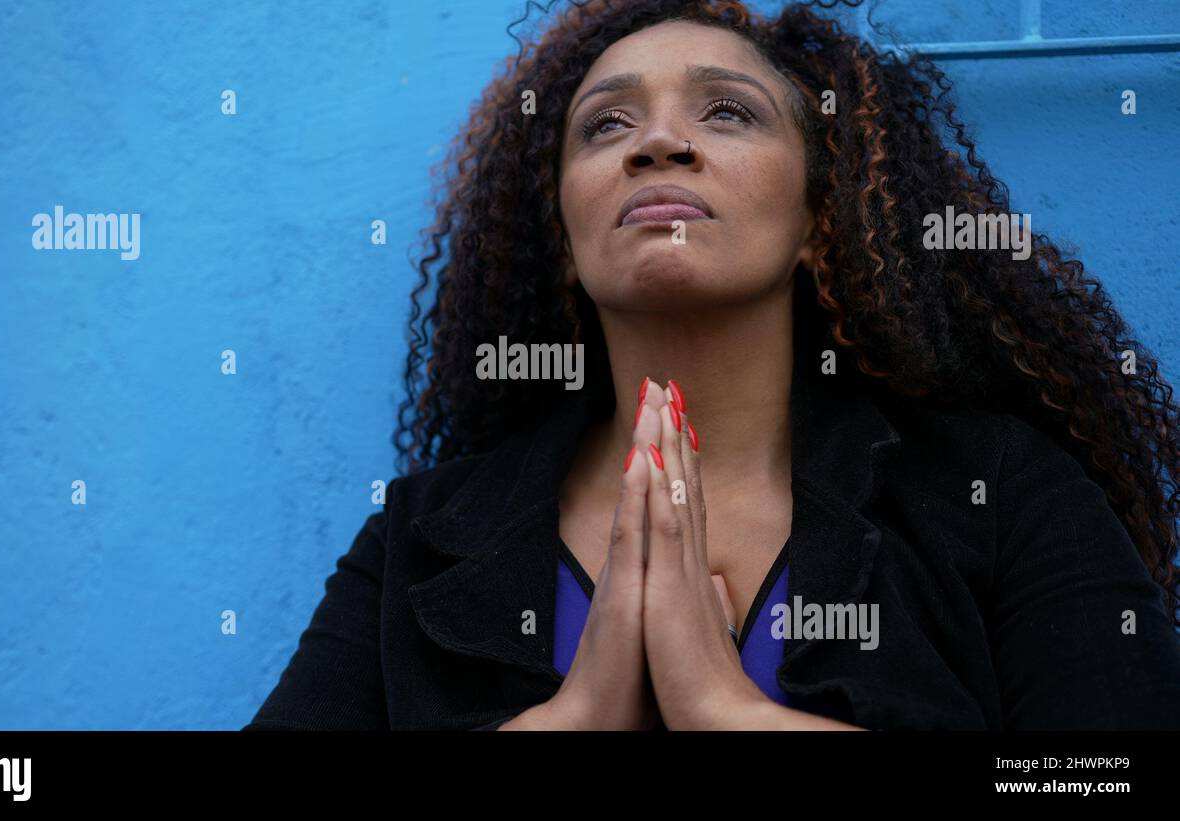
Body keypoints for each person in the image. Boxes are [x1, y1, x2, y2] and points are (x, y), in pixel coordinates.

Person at [243, 0, 1180, 730]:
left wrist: (722, 709)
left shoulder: (998, 489)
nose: (658, 142)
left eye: (727, 112)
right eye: (605, 126)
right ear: (565, 241)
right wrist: (575, 716)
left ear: (824, 221)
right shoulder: (418, 535)